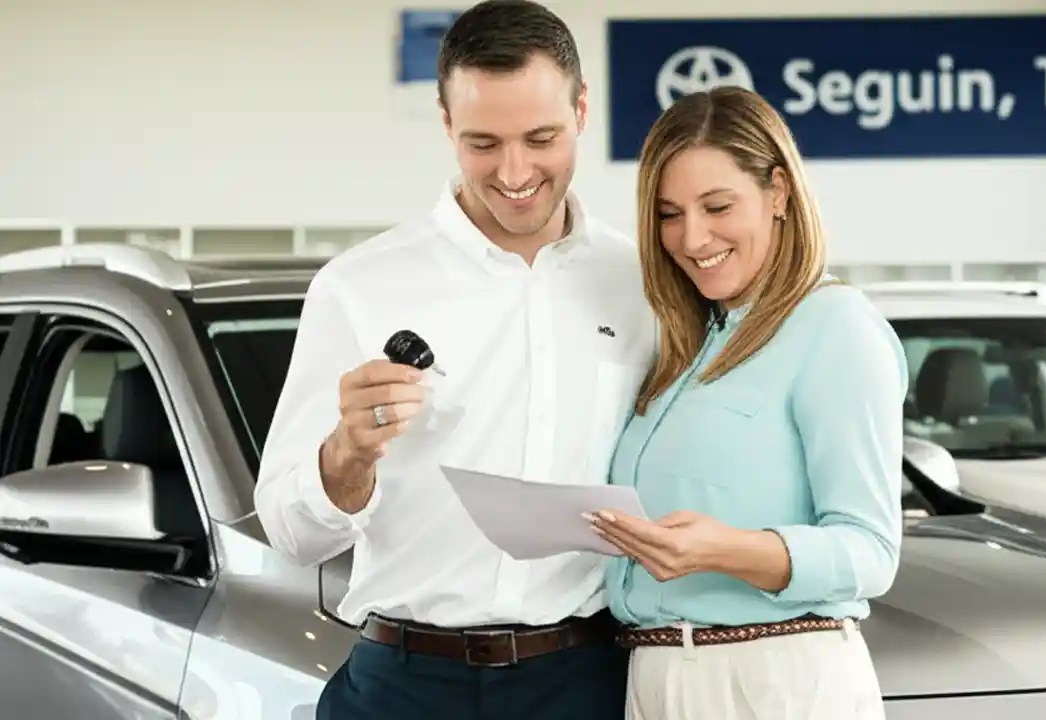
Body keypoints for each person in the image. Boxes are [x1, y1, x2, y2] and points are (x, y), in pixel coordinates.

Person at [254, 1, 654, 717]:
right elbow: (289, 534)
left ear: (583, 110)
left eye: (542, 138)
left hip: (585, 681)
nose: (515, 171)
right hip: (402, 684)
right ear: (445, 124)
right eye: (482, 142)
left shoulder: (641, 285)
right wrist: (347, 455)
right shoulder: (359, 286)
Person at [587, 86, 907, 719]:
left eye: (717, 206)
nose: (692, 237)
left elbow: (871, 553)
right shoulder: (686, 345)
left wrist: (724, 549)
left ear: (779, 193)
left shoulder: (834, 326)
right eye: (669, 214)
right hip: (656, 674)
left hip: (774, 681)